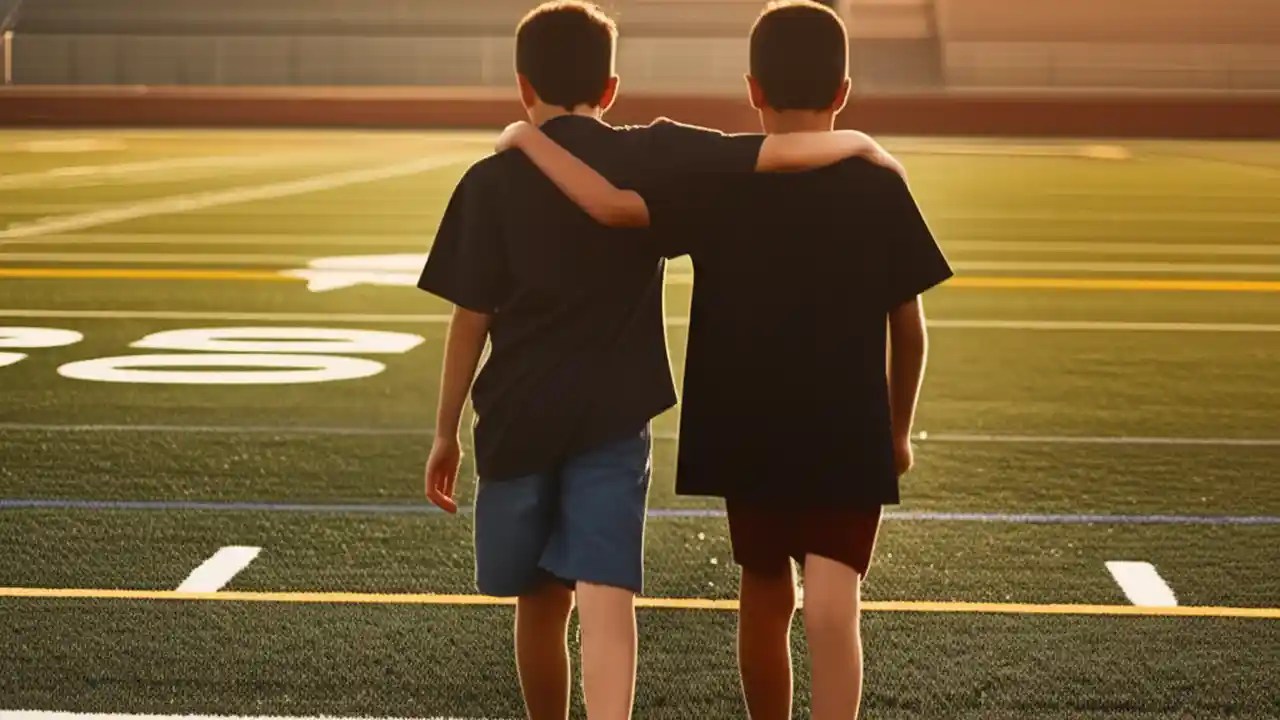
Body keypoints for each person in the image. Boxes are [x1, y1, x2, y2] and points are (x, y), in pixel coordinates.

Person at [417, 2, 901, 719]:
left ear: (523, 84)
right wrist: (861, 143)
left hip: (517, 418)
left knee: (541, 604)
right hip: (614, 418)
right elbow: (771, 154)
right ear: (610, 88)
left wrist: (445, 429)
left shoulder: (489, 180)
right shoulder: (651, 152)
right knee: (608, 597)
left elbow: (471, 318)